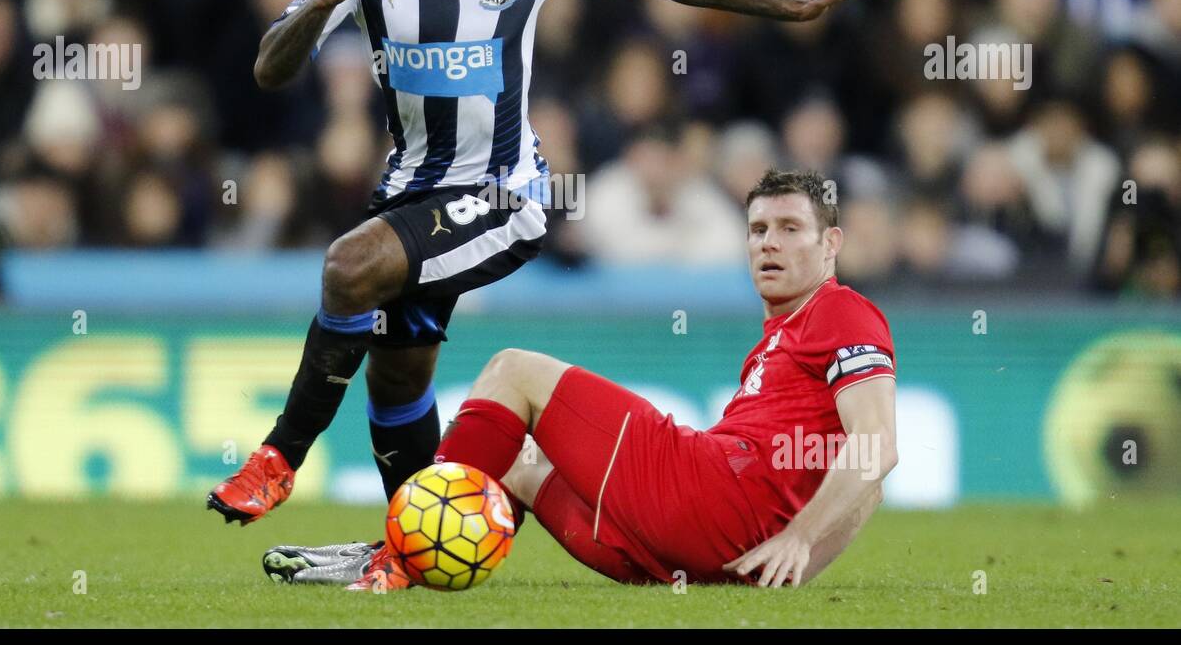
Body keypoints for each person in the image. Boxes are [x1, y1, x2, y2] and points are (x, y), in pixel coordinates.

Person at [208, 0, 892, 526]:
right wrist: (322, 3)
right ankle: (407, 545)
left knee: (348, 269)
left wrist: (788, 6)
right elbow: (269, 69)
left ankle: (279, 458)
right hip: (412, 192)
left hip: (507, 194)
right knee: (396, 377)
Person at [265, 169, 898, 590]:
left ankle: (395, 556)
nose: (769, 244)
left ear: (832, 243)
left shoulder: (841, 310)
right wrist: (792, 564)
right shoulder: (781, 336)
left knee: (514, 371)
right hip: (703, 556)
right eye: (758, 229)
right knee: (515, 465)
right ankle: (403, 563)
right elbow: (869, 483)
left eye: (791, 230)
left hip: (710, 497)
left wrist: (799, 538)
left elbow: (877, 446)